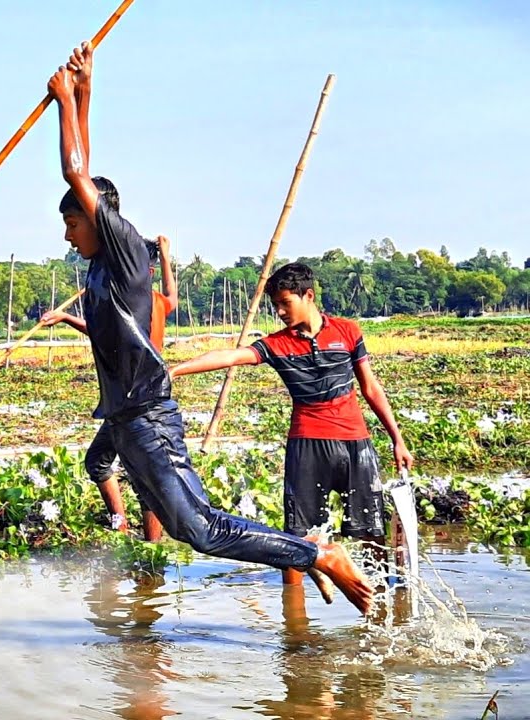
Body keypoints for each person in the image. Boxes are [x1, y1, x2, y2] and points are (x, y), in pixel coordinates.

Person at [43, 40, 373, 613]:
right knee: (186, 528)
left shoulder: (123, 249)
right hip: (126, 420)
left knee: (202, 527)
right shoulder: (100, 264)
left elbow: (77, 171)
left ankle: (317, 555)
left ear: (99, 218)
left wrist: (62, 103)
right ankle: (309, 552)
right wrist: (85, 89)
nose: (69, 234)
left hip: (148, 416)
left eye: (73, 222)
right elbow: (85, 174)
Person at [170, 262, 415, 601]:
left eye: (286, 302)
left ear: (308, 296)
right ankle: (295, 619)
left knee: (371, 530)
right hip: (307, 445)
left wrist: (397, 440)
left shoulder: (347, 332)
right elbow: (231, 356)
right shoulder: (277, 344)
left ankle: (383, 601)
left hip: (356, 444)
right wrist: (175, 371)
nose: (280, 312)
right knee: (297, 535)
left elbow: (371, 388)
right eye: (276, 306)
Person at [43, 235, 175, 542]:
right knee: (125, 467)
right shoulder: (154, 300)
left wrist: (65, 318)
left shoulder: (135, 304)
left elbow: (100, 331)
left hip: (133, 399)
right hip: (140, 397)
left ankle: (136, 535)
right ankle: (136, 535)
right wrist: (166, 257)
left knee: (116, 466)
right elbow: (173, 295)